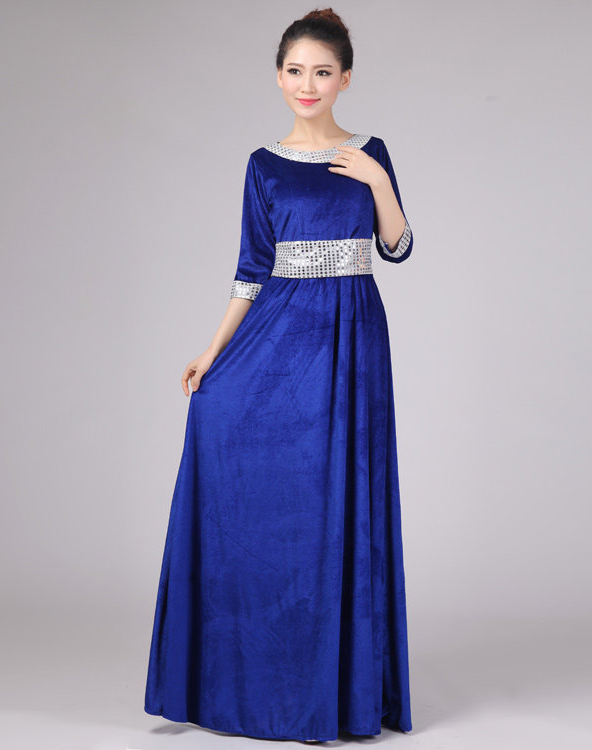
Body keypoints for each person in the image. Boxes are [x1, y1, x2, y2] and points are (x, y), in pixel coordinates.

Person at [144, 7, 414, 742]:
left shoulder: (371, 153)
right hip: (279, 334)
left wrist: (377, 181)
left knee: (342, 497)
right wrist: (212, 352)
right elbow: (251, 270)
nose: (307, 84)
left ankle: (340, 689)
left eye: (322, 72)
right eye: (295, 71)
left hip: (352, 335)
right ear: (278, 76)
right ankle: (248, 682)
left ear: (345, 79)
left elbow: (397, 247)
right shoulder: (262, 165)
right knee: (248, 460)